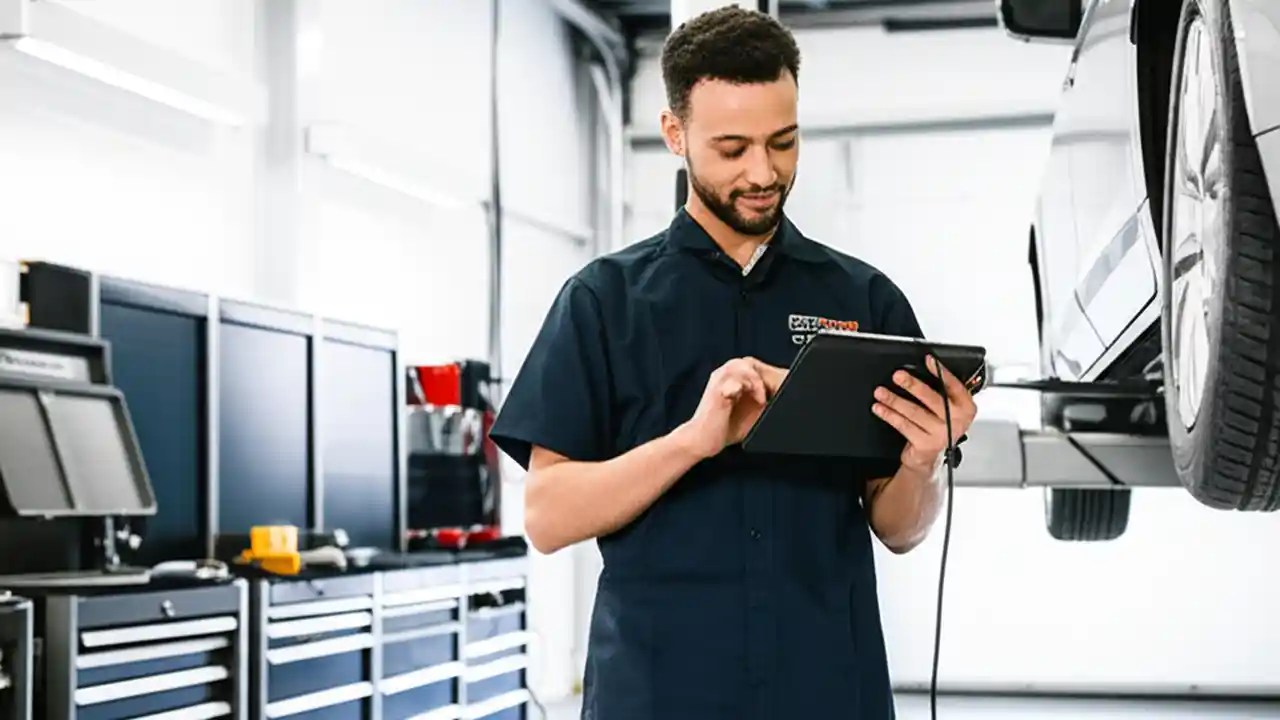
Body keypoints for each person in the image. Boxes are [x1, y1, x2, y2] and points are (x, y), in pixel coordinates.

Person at [488, 6, 978, 719]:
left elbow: (900, 528)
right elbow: (548, 516)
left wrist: (922, 461)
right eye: (732, 148)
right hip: (658, 695)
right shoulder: (602, 303)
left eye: (784, 142)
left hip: (826, 691)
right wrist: (693, 442)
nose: (763, 172)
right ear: (675, 134)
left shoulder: (863, 299)